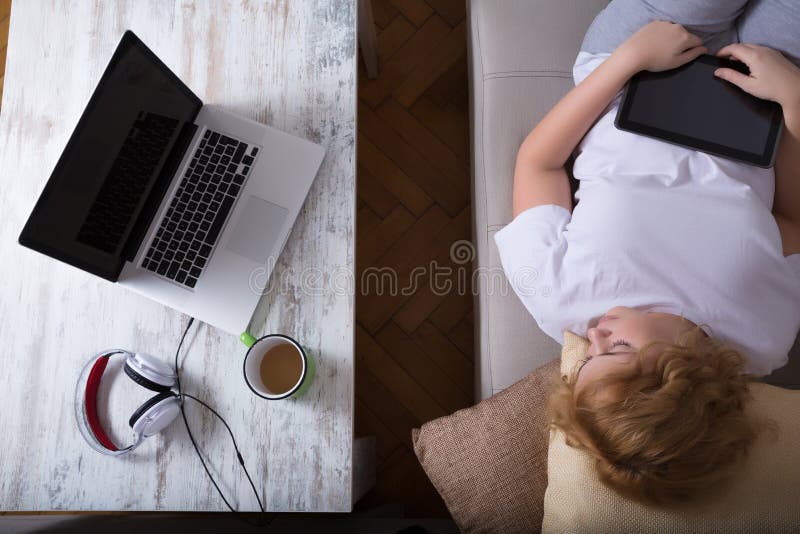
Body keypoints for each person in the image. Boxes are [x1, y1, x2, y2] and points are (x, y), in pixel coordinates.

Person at [494, 0, 800, 505]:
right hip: (763, 100)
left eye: (587, 357)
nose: (592, 334)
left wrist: (628, 60)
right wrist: (793, 103)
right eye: (616, 349)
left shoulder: (558, 296)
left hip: (643, 67)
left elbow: (538, 164)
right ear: (685, 368)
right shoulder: (762, 332)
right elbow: (790, 218)